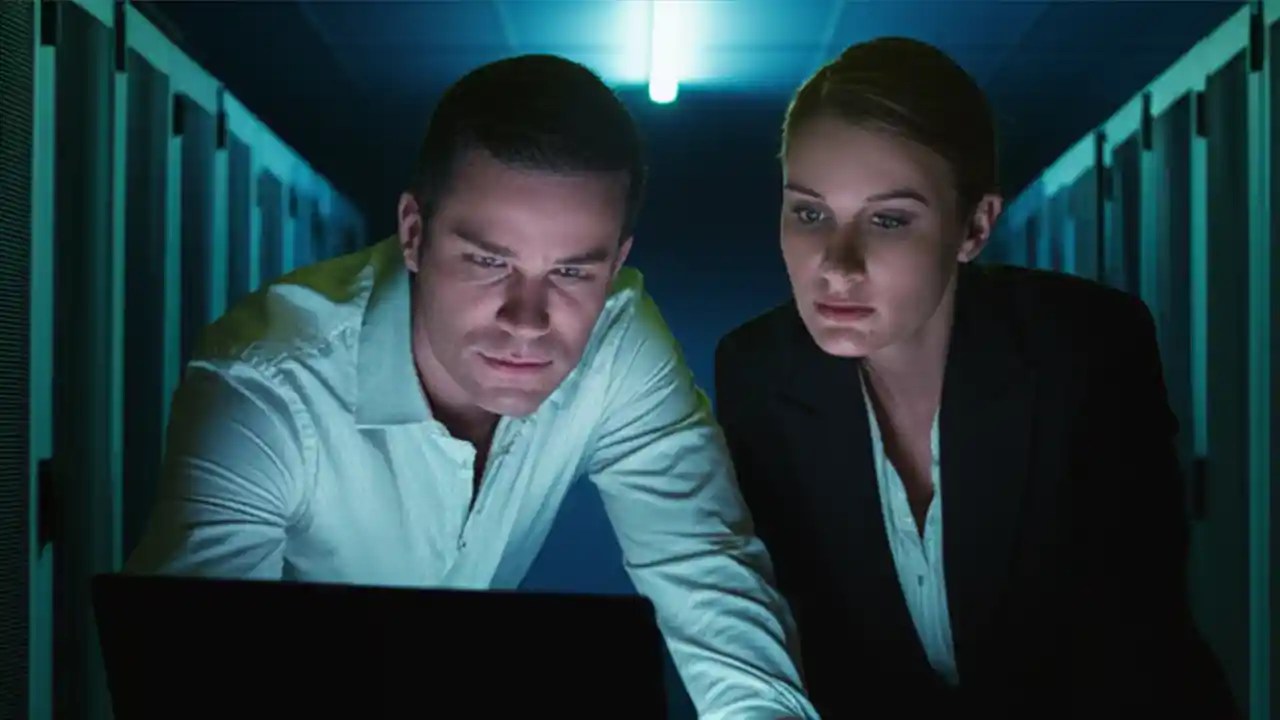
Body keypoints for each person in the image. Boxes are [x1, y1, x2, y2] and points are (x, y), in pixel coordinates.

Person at [127, 54, 817, 720]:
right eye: (490, 261)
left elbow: (707, 571)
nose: (527, 320)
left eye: (573, 273)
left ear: (617, 263)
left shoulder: (619, 343)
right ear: (413, 232)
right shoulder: (268, 382)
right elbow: (195, 677)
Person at [713, 37, 1239, 718]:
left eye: (889, 220)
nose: (837, 265)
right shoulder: (759, 373)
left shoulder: (1080, 349)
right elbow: (807, 643)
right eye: (810, 213)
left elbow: (1129, 643)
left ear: (975, 226)